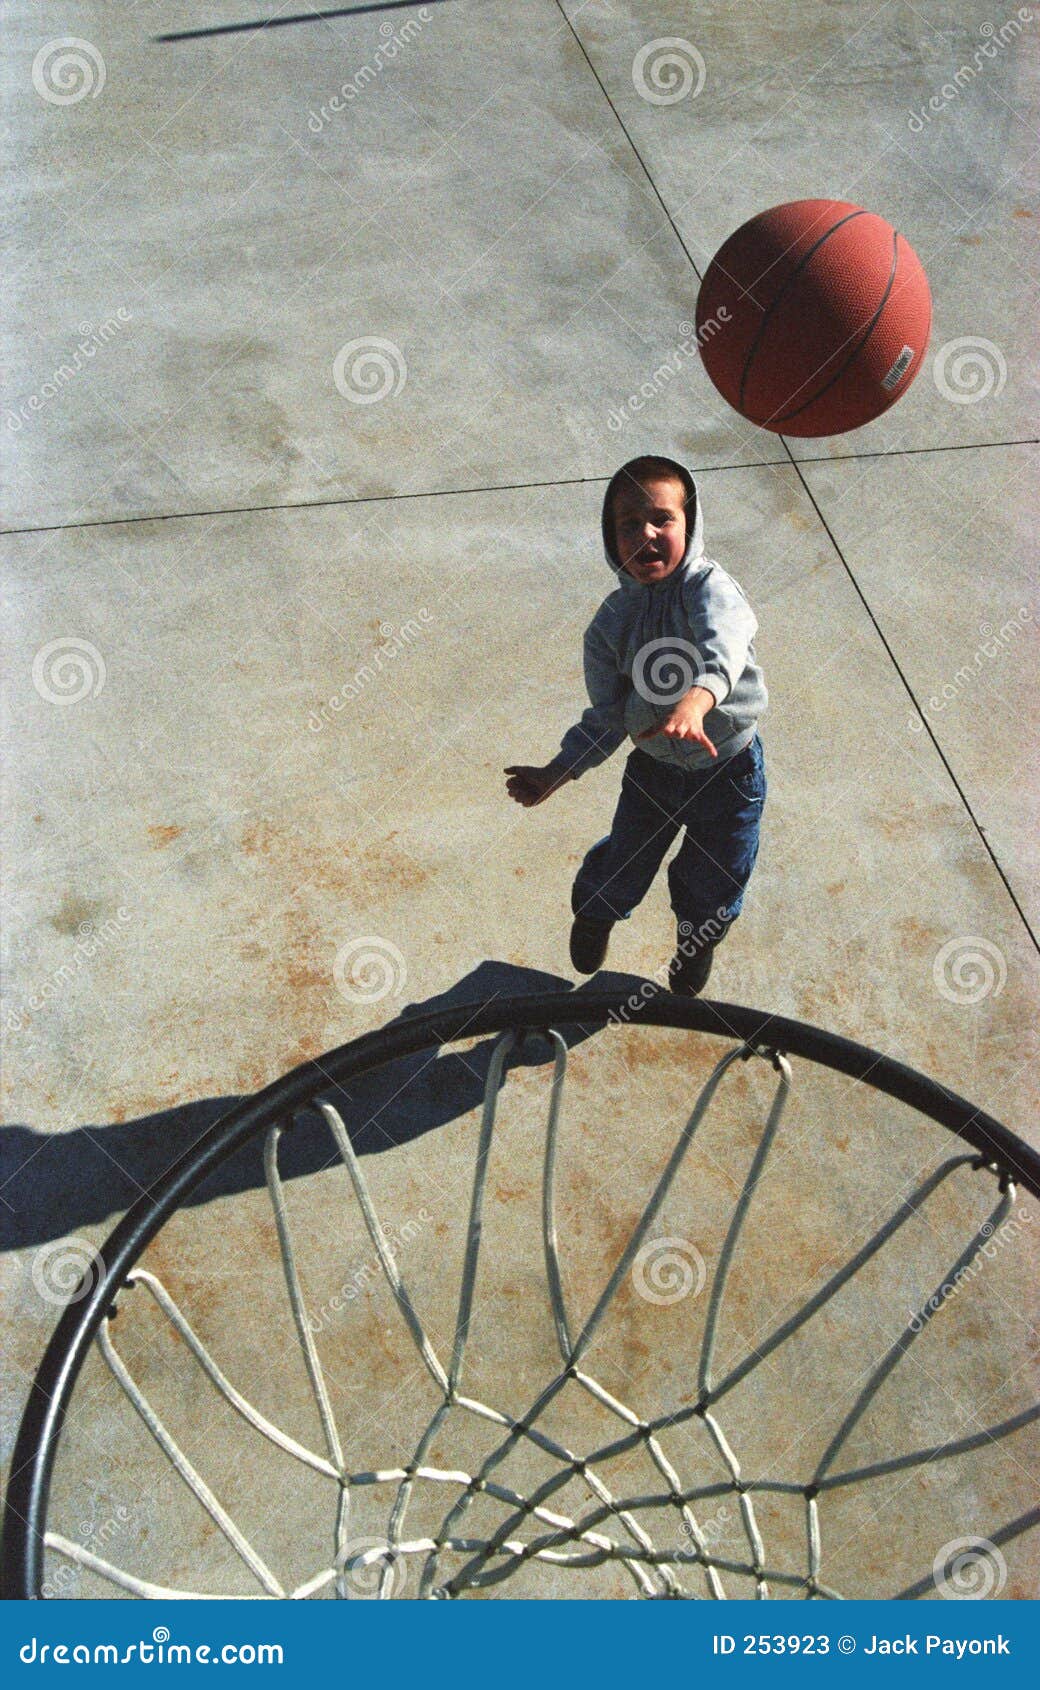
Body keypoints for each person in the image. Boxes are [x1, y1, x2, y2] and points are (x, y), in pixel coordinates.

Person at [505, 454, 768, 995]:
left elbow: (727, 646)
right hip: (653, 772)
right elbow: (607, 718)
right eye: (628, 524)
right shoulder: (610, 627)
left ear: (689, 526)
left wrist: (697, 701)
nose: (647, 533)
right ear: (611, 539)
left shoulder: (710, 589)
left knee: (716, 875)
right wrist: (557, 772)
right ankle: (596, 914)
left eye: (662, 519)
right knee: (624, 857)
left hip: (729, 768)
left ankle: (697, 940)